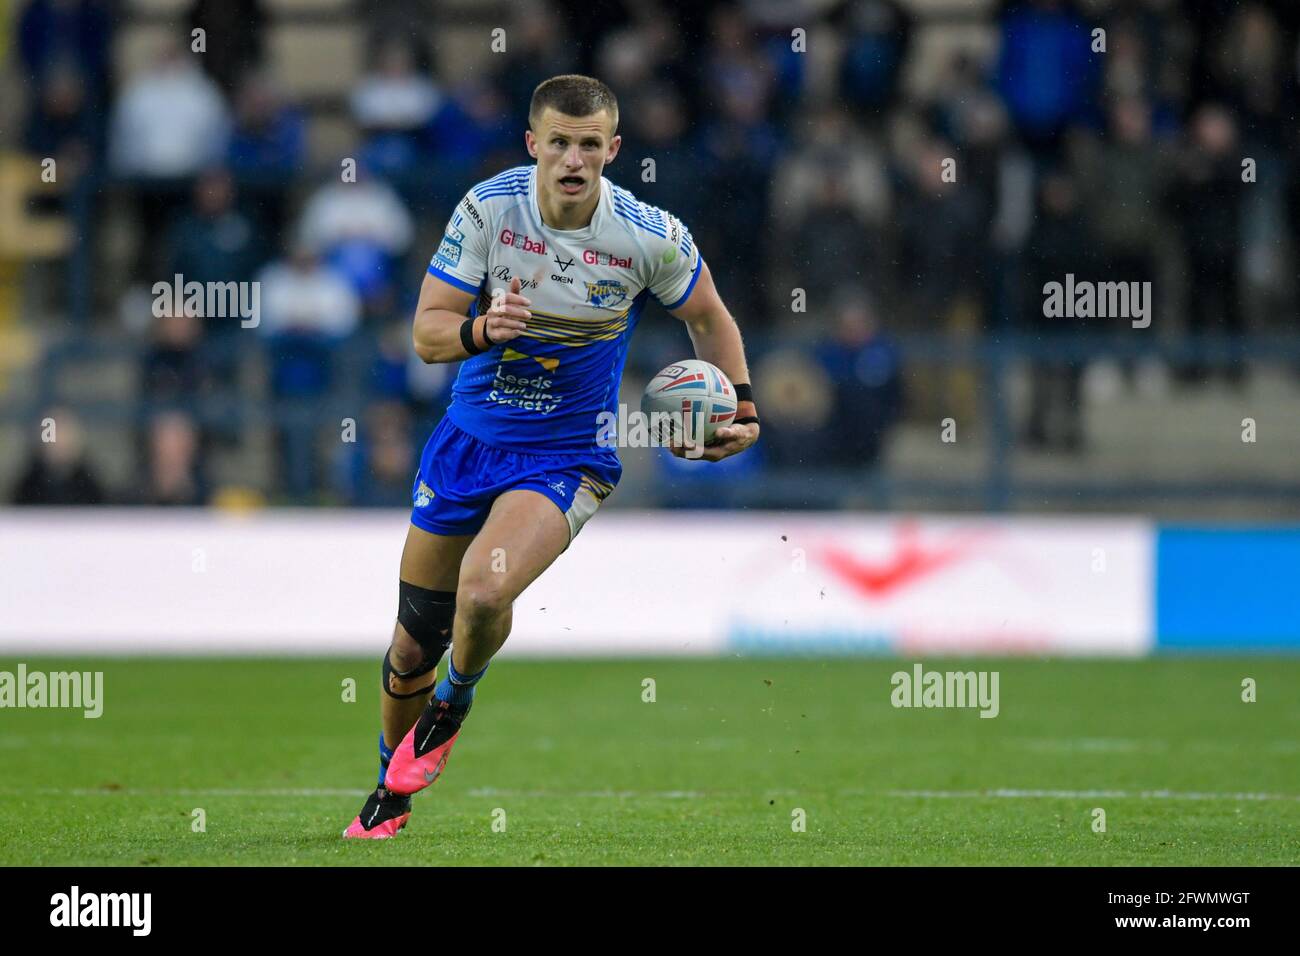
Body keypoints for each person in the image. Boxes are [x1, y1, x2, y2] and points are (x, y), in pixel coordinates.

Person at [343, 75, 760, 838]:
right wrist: (482, 330)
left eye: (590, 144)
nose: (574, 158)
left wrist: (745, 404)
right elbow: (427, 332)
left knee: (481, 594)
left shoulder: (648, 234)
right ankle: (389, 792)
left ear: (613, 150)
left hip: (567, 455)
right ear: (533, 144)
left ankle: (455, 704)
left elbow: (711, 317)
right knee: (411, 642)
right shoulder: (488, 209)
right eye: (559, 143)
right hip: (468, 445)